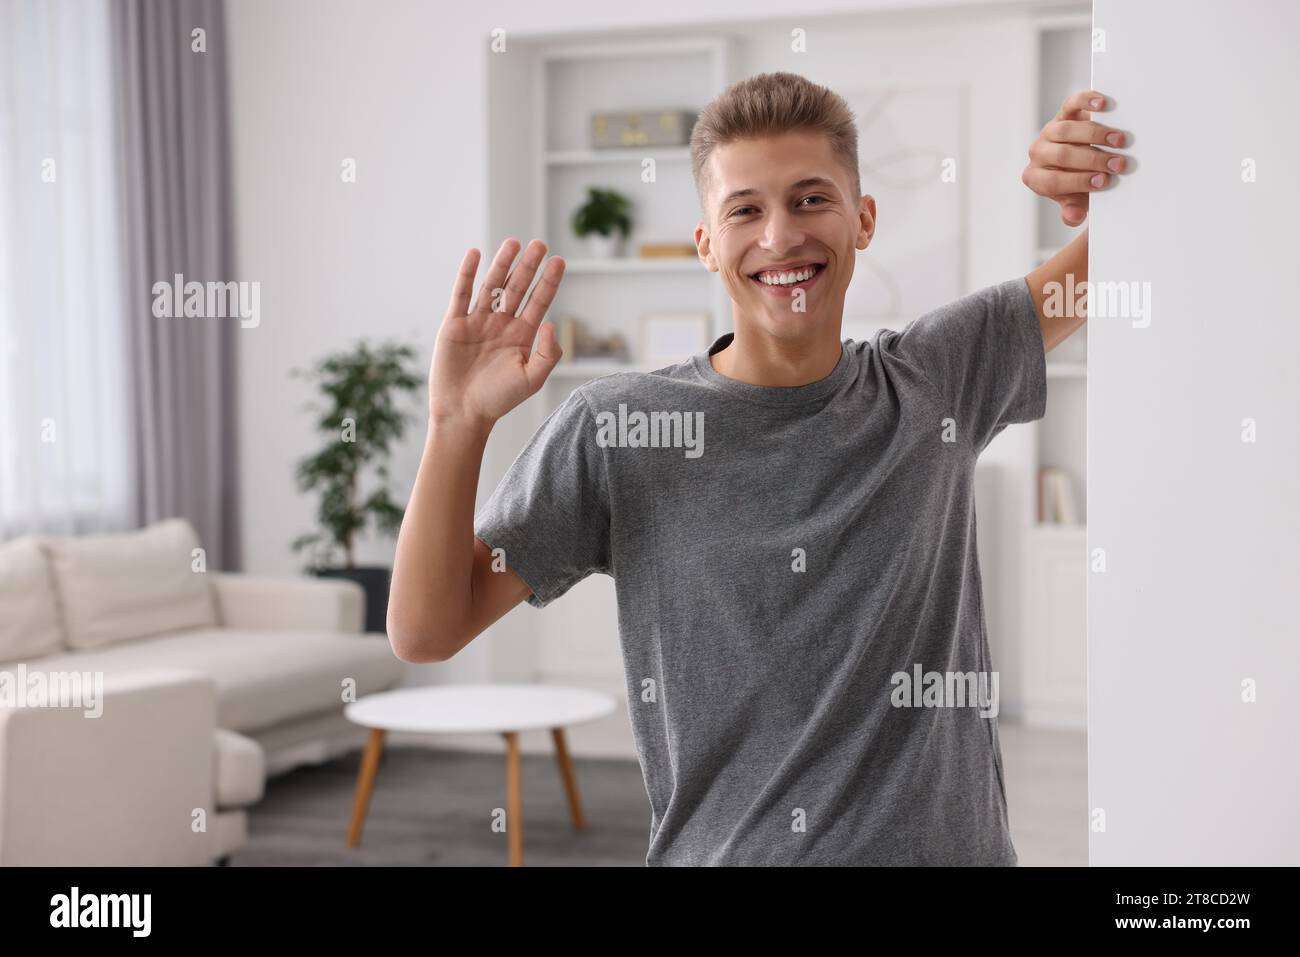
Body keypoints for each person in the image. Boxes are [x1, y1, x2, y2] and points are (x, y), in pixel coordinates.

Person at [386, 72, 1126, 865]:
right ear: (707, 242)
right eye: (745, 209)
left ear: (863, 219)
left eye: (811, 199)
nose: (780, 236)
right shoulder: (620, 429)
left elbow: (1126, 255)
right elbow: (427, 629)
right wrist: (455, 424)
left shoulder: (938, 377)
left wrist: (1086, 180)